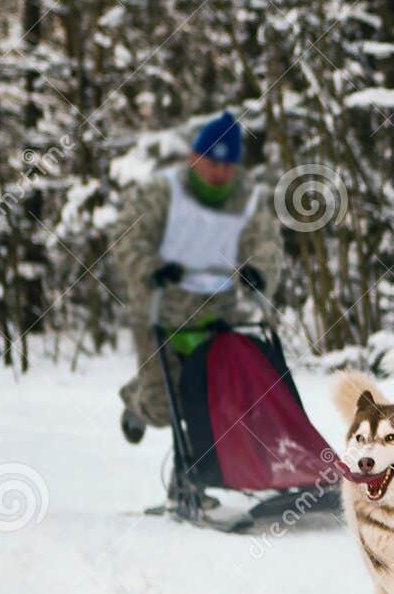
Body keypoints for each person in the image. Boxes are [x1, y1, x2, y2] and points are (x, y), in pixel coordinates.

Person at [114, 112, 285, 444]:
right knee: (166, 407)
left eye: (228, 165)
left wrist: (258, 272)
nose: (220, 173)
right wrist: (151, 267)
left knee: (220, 398)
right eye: (212, 163)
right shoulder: (163, 192)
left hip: (218, 312)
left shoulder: (247, 198)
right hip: (161, 308)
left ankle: (201, 477)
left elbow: (266, 243)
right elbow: (128, 238)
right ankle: (138, 399)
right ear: (195, 158)